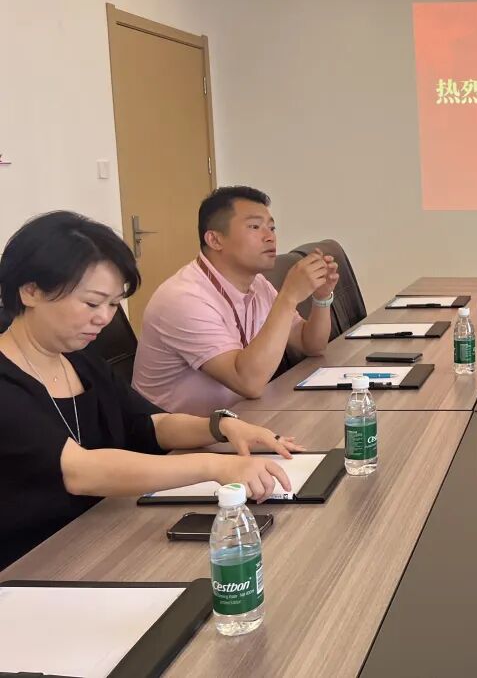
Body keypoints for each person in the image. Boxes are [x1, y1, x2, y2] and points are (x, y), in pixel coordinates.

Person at [0, 211, 303, 570]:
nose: (104, 318)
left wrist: (221, 426)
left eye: (114, 304)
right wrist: (215, 465)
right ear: (31, 291)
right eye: (92, 303)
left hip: (106, 534)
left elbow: (149, 424)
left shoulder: (79, 360)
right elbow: (81, 471)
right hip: (35, 564)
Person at [133, 186, 339, 416]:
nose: (270, 236)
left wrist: (321, 298)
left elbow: (311, 344)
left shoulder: (258, 284)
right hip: (179, 434)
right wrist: (289, 297)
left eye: (272, 228)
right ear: (215, 240)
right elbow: (249, 383)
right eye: (255, 227)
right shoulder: (184, 298)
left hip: (238, 418)